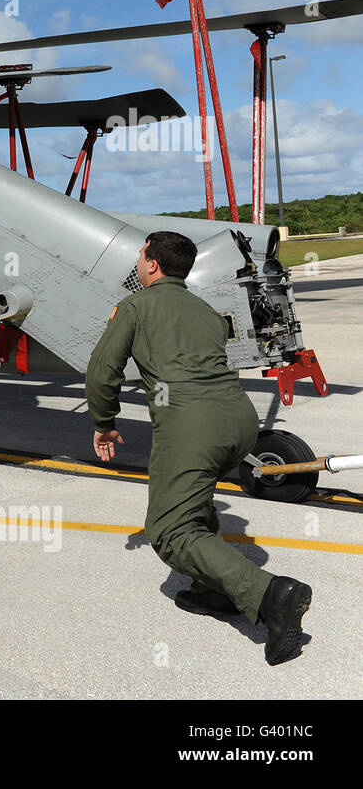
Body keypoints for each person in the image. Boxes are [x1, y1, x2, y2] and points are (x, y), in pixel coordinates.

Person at [85, 231, 312, 666]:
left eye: (140, 254)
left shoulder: (136, 306)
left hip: (192, 425)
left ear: (152, 264)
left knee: (170, 531)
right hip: (240, 421)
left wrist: (103, 423)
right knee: (195, 498)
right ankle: (217, 591)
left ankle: (272, 595)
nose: (137, 260)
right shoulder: (206, 309)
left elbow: (102, 372)